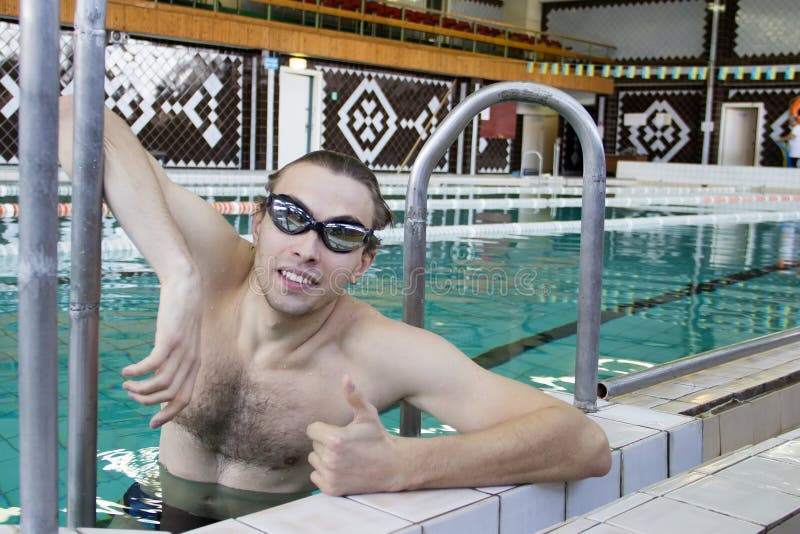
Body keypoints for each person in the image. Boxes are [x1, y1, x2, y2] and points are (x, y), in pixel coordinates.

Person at [58, 97, 611, 527]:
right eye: (292, 216)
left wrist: (403, 465)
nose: (306, 248)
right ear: (258, 222)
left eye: (341, 234)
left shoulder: (379, 353)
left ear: (364, 261)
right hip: (152, 507)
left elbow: (583, 445)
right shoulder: (210, 266)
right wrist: (176, 275)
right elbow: (75, 114)